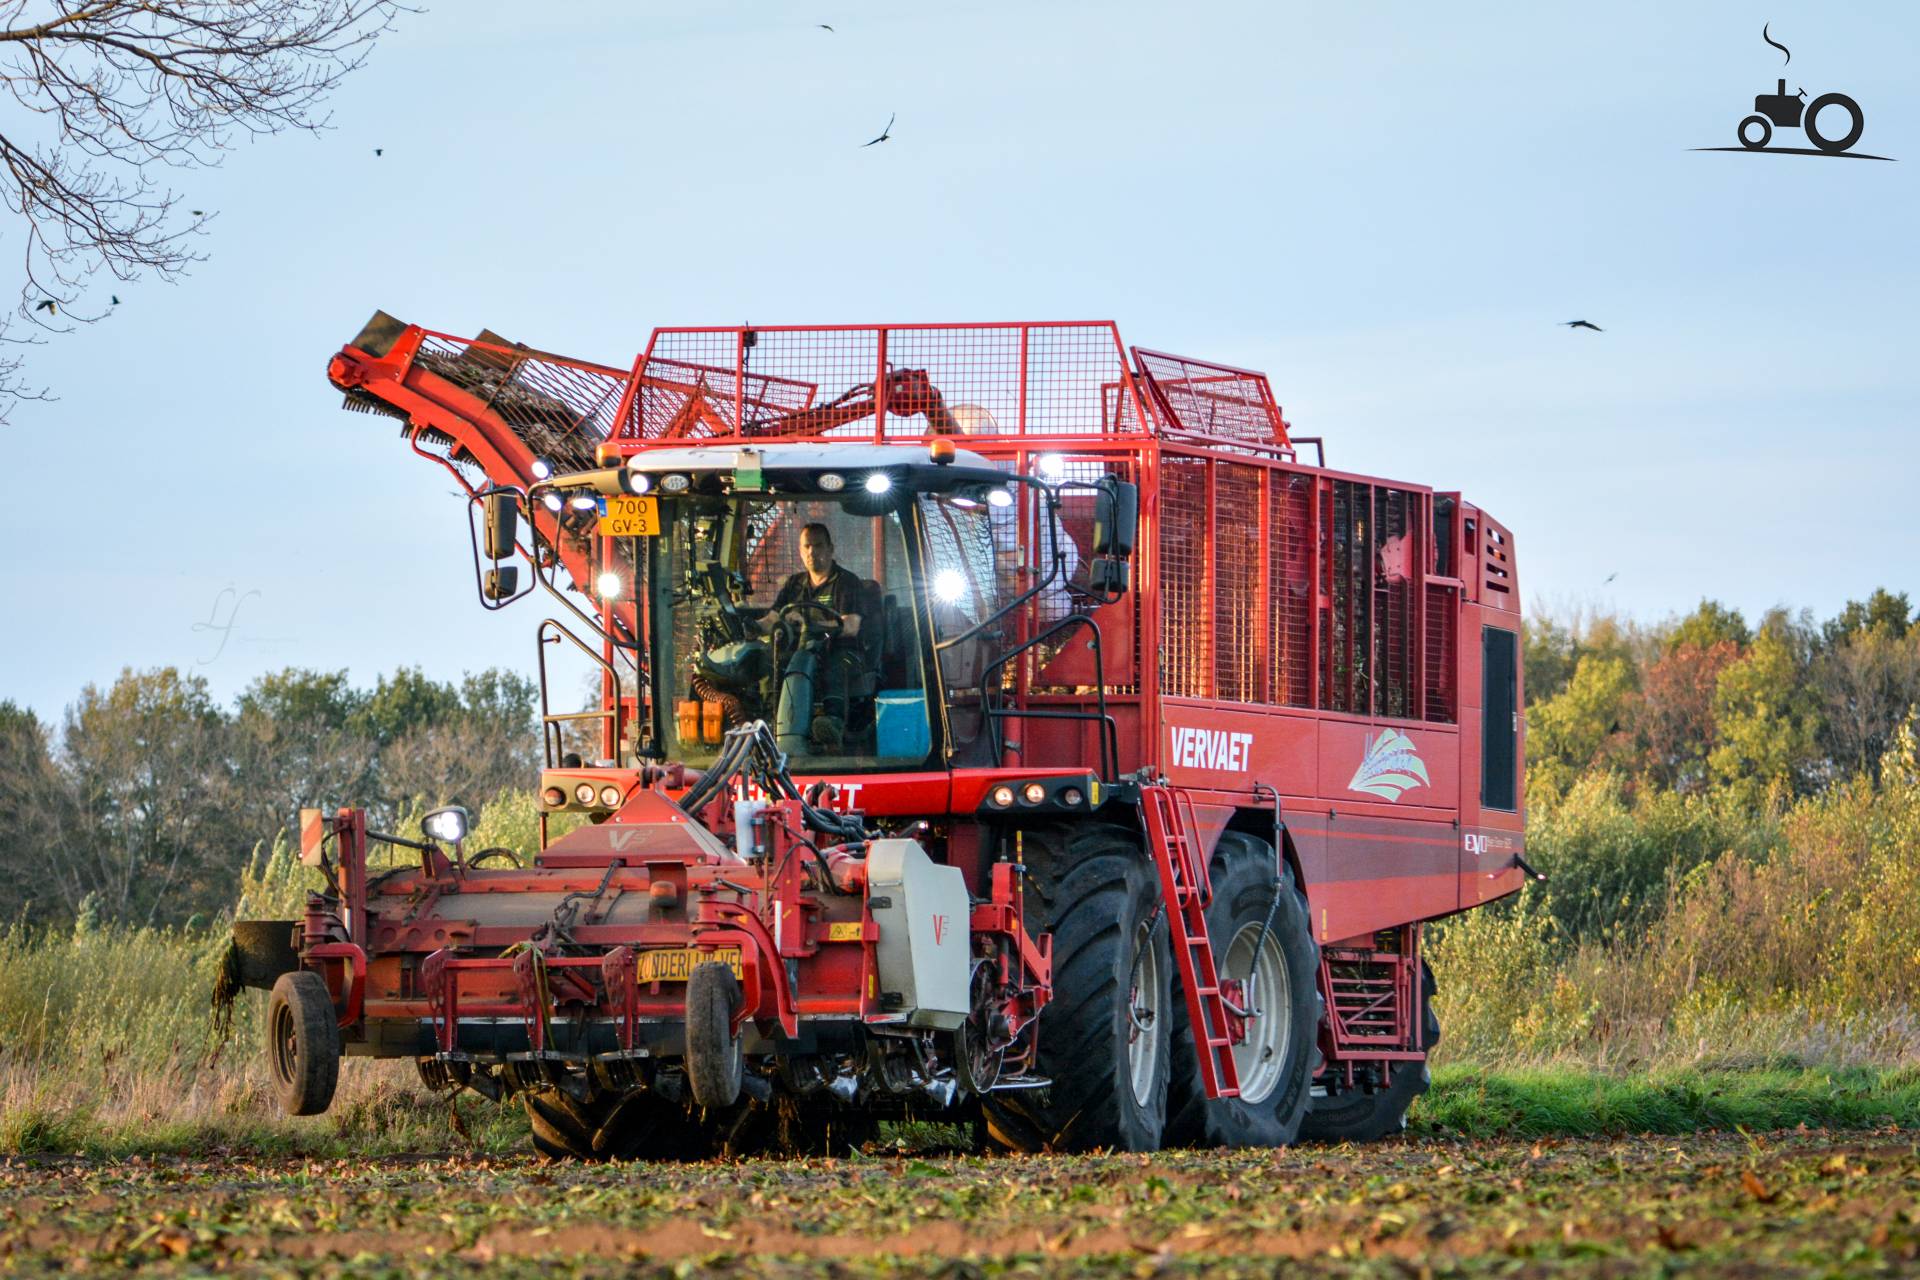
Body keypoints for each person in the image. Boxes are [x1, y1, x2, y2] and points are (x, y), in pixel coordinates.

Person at [760, 522, 870, 753]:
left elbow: (851, 626)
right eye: (807, 546)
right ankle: (768, 720)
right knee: (771, 660)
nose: (812, 552)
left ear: (830, 549)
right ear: (800, 551)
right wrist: (749, 626)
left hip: (841, 650)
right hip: (801, 650)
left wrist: (811, 624)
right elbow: (771, 618)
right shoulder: (794, 584)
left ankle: (832, 722)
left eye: (818, 545)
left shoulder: (847, 582)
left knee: (836, 663)